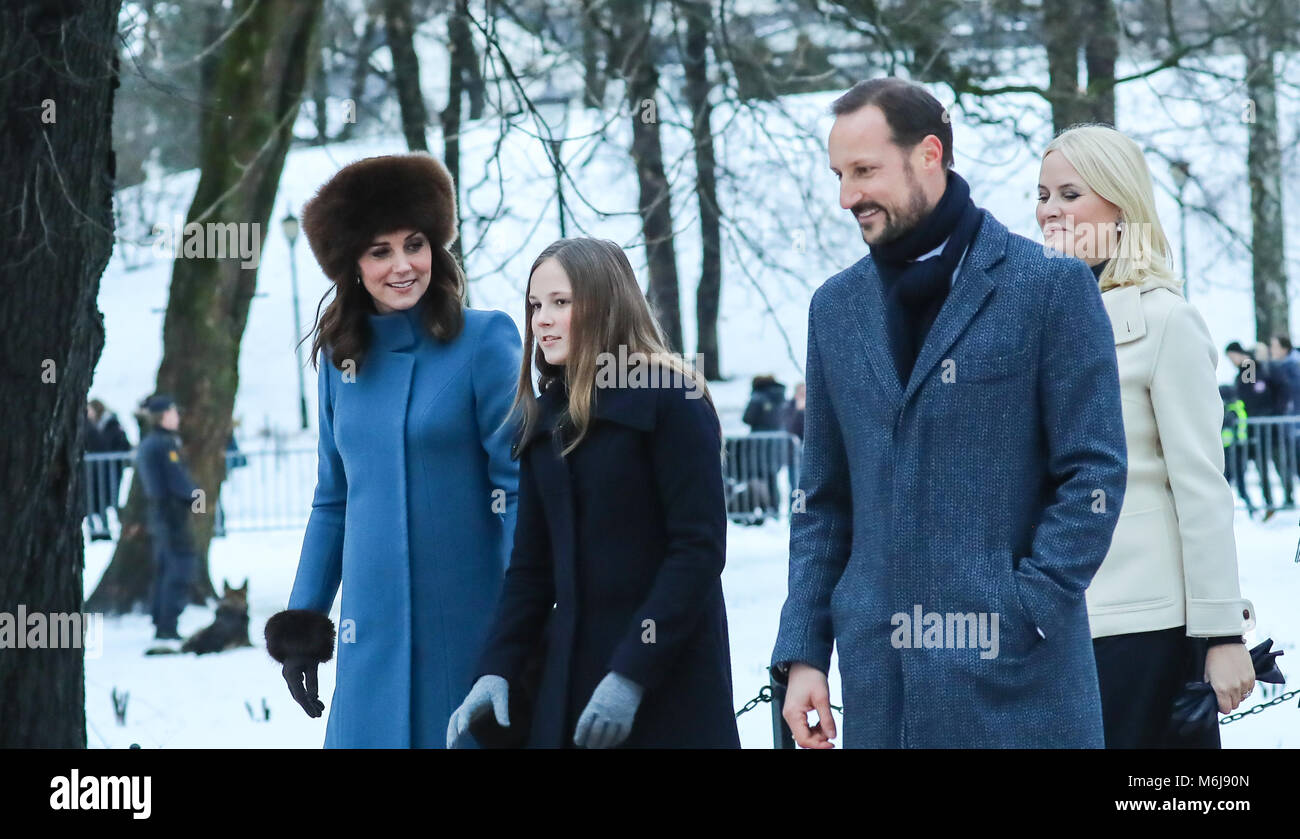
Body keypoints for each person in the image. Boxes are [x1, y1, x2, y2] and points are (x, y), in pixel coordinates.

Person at [770, 78, 1128, 749]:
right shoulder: (834, 309)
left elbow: (1093, 474)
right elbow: (823, 502)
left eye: (866, 171)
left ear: (929, 154)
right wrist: (805, 650)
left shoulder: (1049, 287)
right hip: (883, 696)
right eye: (840, 175)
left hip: (1022, 694)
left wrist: (1026, 607)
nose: (848, 196)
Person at [262, 153, 522, 749]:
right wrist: (305, 619)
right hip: (368, 640)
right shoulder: (338, 359)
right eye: (380, 251)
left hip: (468, 633)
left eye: (415, 243)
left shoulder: (485, 340)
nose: (403, 265)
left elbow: (517, 489)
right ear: (352, 264)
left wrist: (517, 629)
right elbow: (333, 501)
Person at [447, 237, 740, 749]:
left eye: (561, 302)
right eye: (536, 305)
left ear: (604, 302)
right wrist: (496, 669)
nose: (541, 319)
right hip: (572, 685)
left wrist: (631, 674)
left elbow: (697, 552)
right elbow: (531, 572)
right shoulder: (545, 419)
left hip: (670, 681)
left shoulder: (672, 403)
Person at [1036, 124, 1257, 748]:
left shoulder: (1164, 321)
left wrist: (1220, 634)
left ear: (1120, 204)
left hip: (1145, 626)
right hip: (1052, 620)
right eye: (1043, 194)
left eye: (1070, 194)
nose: (1050, 209)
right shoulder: (1034, 322)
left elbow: (1201, 487)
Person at [134, 394, 198, 643]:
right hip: (171, 514)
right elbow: (178, 480)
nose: (177, 417)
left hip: (160, 513)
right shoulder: (164, 444)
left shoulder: (151, 442)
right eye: (174, 412)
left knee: (164, 565)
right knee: (180, 565)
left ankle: (161, 619)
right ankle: (168, 623)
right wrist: (197, 497)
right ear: (164, 416)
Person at [1226, 340, 1284, 516]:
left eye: (1231, 357)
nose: (1231, 361)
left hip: (1253, 428)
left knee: (1260, 468)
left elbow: (1248, 395)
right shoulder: (1247, 368)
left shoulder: (1248, 366)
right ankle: (1260, 504)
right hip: (1250, 429)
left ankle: (1267, 504)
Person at [84, 398, 132, 540]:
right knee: (96, 500)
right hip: (98, 472)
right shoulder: (96, 426)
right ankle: (98, 530)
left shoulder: (111, 425)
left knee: (107, 500)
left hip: (110, 471)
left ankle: (108, 529)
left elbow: (106, 445)